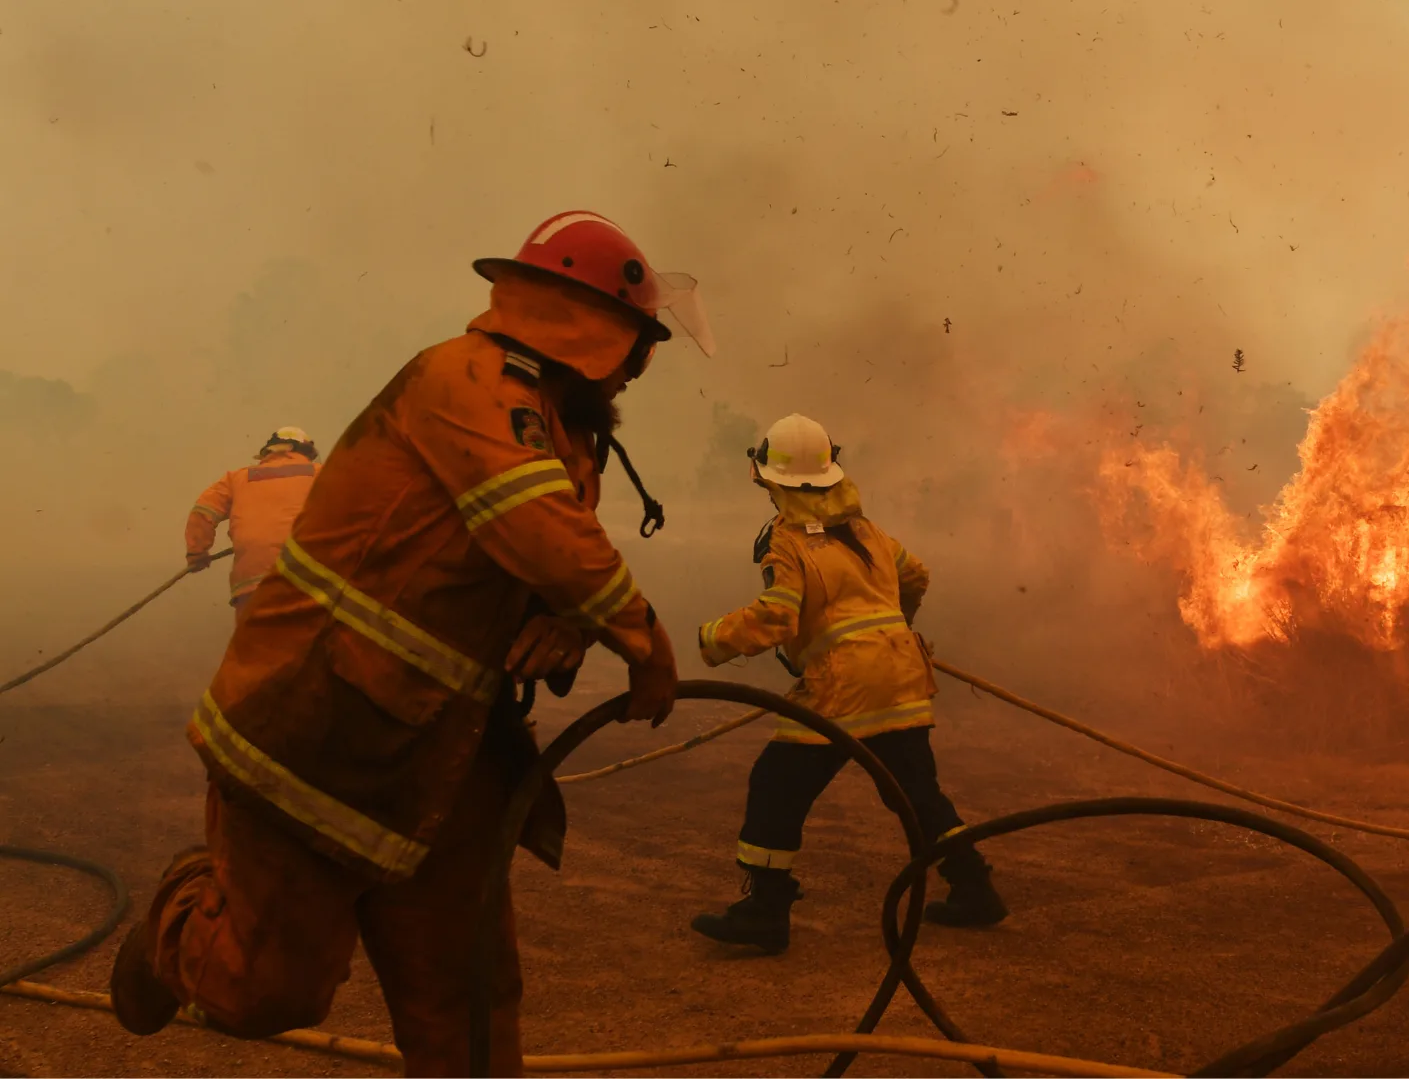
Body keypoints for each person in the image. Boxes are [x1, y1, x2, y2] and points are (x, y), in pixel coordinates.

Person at [109, 210, 716, 1076]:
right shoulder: (467, 380)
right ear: (609, 336)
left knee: (466, 1005)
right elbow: (539, 526)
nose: (635, 374)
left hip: (449, 758)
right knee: (264, 994)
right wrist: (645, 644)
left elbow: (540, 564)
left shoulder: (563, 429)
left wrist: (568, 622)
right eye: (639, 350)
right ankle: (178, 912)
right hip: (317, 738)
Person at [689, 413, 1007, 956]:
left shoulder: (787, 543)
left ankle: (765, 911)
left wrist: (713, 639)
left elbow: (777, 617)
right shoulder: (867, 531)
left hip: (841, 689)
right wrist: (895, 625)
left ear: (769, 479)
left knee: (776, 785)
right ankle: (974, 887)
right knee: (915, 792)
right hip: (901, 675)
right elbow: (917, 574)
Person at [185, 427, 323, 619]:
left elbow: (203, 512)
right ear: (307, 452)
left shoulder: (237, 479)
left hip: (253, 583)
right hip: (311, 579)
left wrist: (196, 552)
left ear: (267, 452)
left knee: (256, 647)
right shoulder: (323, 474)